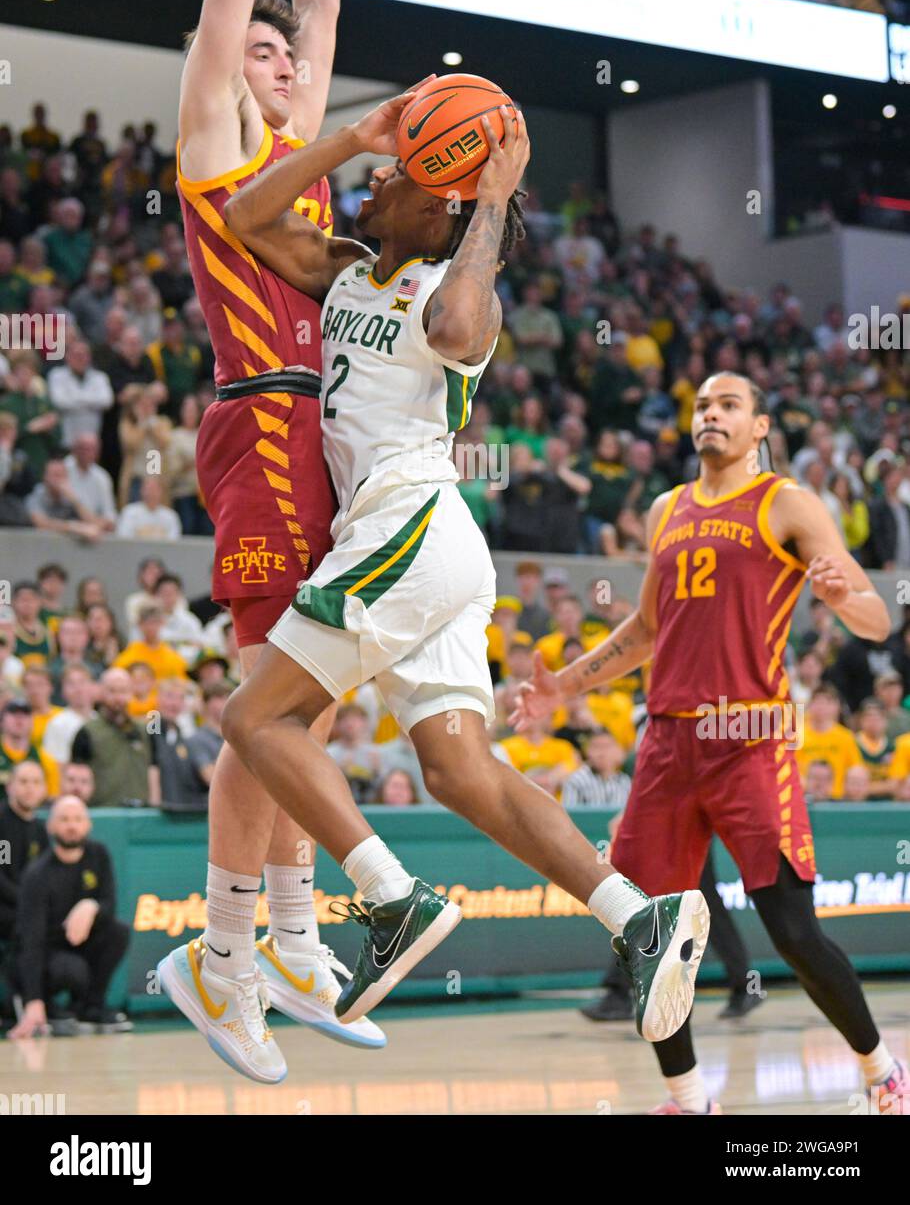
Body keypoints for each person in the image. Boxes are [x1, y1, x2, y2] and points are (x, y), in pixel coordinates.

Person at [158, 85, 710, 1077]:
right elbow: (241, 218)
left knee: (254, 720)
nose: (371, 183)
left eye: (396, 174)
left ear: (441, 203)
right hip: (433, 550)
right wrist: (352, 138)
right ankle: (635, 914)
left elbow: (456, 327)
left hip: (406, 527)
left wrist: (490, 195)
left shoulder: (462, 293)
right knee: (458, 770)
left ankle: (386, 896)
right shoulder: (345, 271)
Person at [512, 372, 907, 1115]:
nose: (711, 415)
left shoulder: (787, 502)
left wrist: (840, 596)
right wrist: (565, 685)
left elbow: (876, 620)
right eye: (702, 406)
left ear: (759, 427)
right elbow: (645, 630)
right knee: (649, 937)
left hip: (750, 738)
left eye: (729, 405)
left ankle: (882, 1070)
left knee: (791, 929)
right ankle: (688, 1099)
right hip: (667, 745)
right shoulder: (667, 509)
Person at [164, 0, 384, 1070]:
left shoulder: (306, 156)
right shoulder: (215, 147)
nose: (278, 52)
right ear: (220, 67)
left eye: (288, 52)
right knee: (264, 701)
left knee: (300, 698)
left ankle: (292, 935)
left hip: (329, 432)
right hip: (260, 412)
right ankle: (227, 954)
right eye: (251, 45)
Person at [10, 796, 132, 1037]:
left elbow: (110, 905)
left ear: (88, 824)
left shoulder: (99, 855)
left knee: (119, 932)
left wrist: (90, 906)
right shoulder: (37, 875)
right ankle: (45, 1005)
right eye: (64, 819)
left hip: (81, 946)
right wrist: (33, 1000)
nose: (71, 825)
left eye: (78, 819)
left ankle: (91, 1008)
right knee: (72, 969)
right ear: (51, 827)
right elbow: (31, 942)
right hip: (48, 953)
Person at [71, 668, 160, 808]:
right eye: (112, 691)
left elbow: (153, 770)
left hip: (141, 815)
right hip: (102, 813)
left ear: (131, 693)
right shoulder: (87, 732)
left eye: (123, 691)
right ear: (101, 693)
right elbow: (74, 778)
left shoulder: (146, 731)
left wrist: (155, 807)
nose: (118, 698)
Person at [155, 680, 230, 812]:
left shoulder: (179, 733)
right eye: (169, 696)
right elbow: (210, 777)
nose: (174, 703)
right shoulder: (152, 727)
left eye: (180, 698)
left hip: (185, 808)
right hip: (171, 810)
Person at [0, 761, 48, 943]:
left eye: (36, 782)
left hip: (28, 906)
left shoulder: (40, 829)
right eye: (24, 781)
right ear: (10, 787)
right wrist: (27, 901)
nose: (30, 788)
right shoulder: (2, 823)